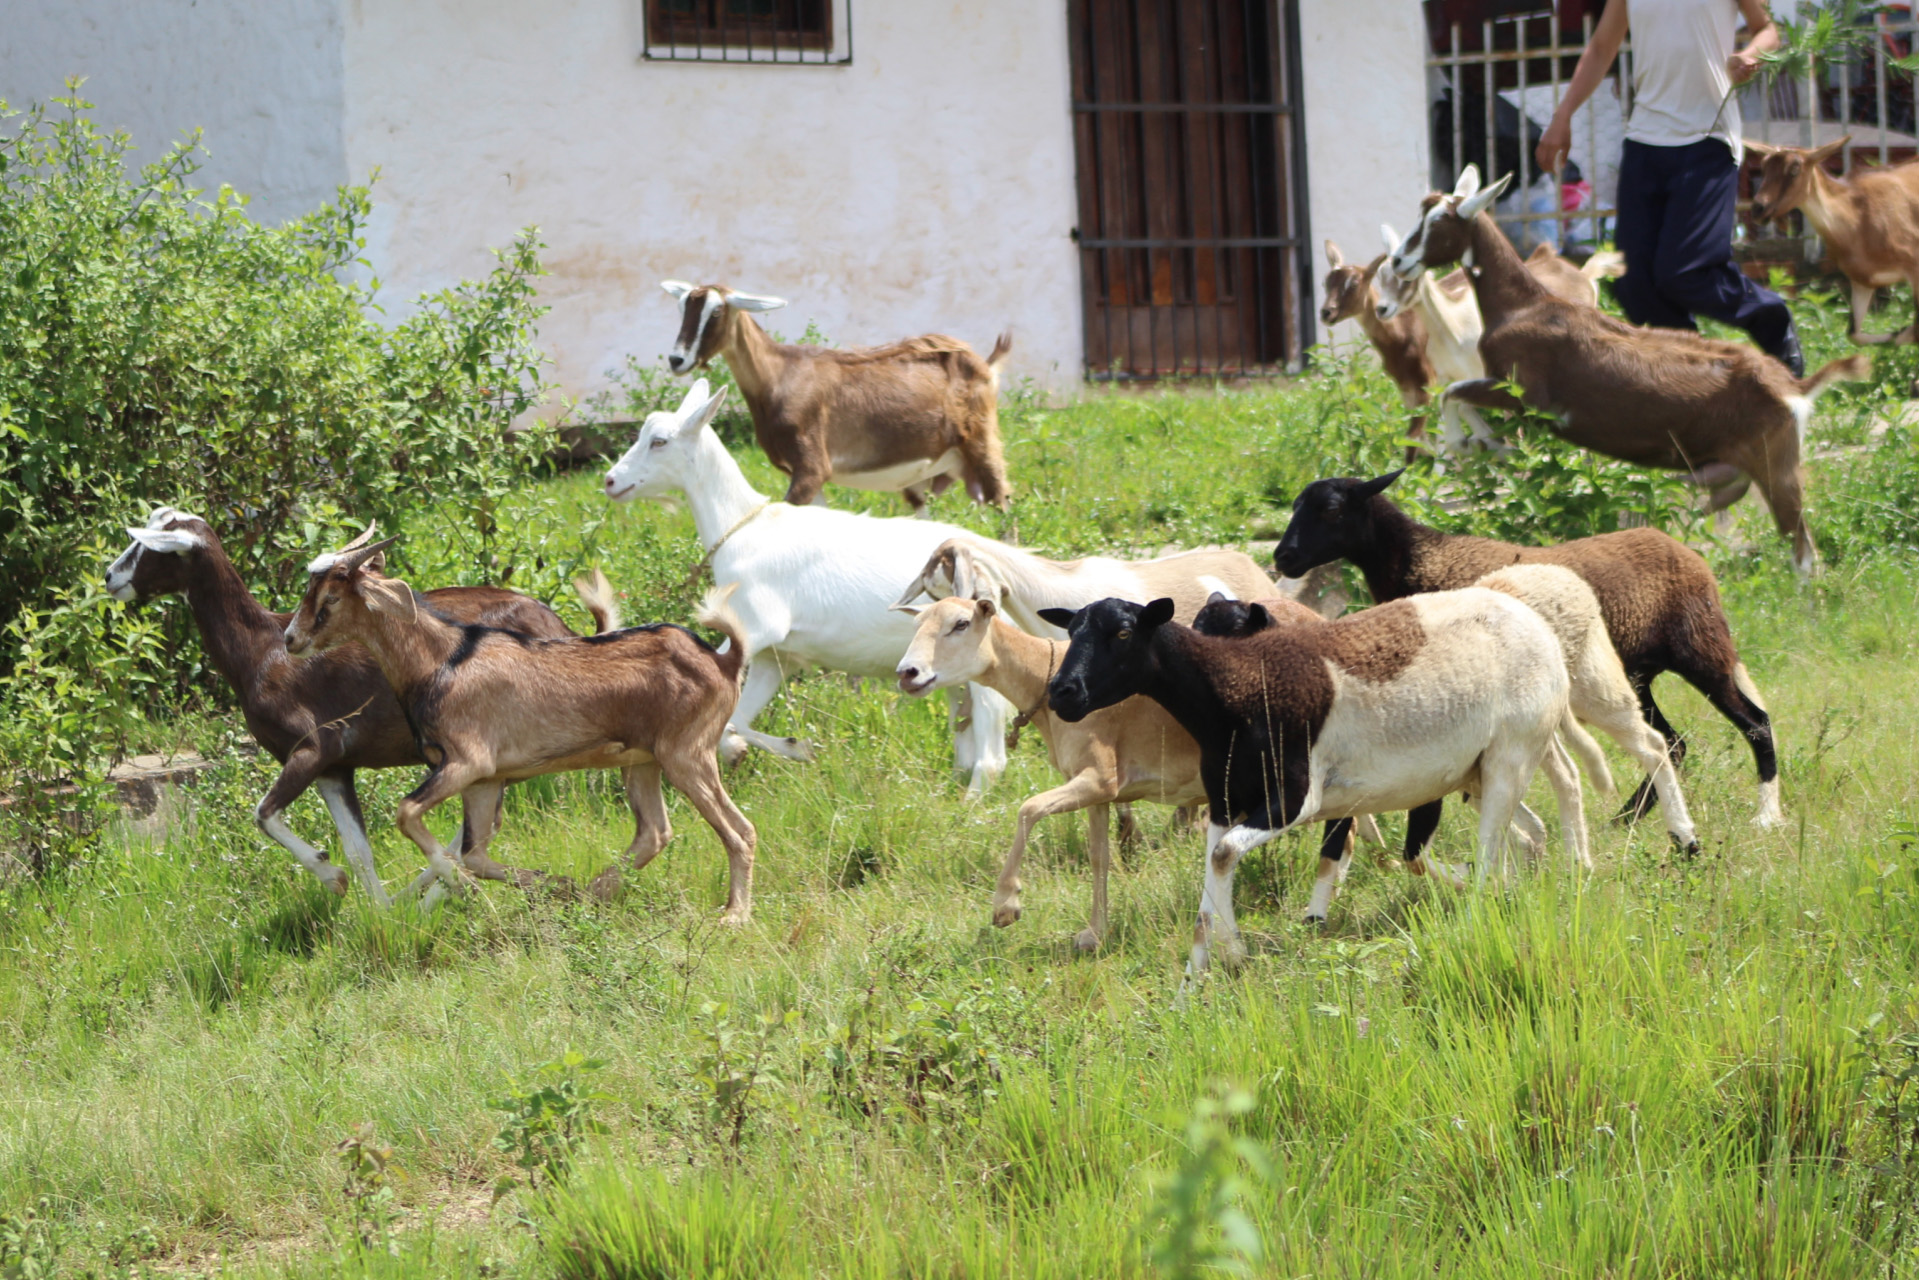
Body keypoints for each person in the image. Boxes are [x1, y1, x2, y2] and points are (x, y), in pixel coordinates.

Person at [1537, 0, 1803, 375]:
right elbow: (1600, 49)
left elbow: (1770, 28)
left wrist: (1749, 55)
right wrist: (1562, 116)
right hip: (1645, 140)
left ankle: (1771, 318)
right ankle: (1694, 370)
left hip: (1708, 138)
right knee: (1633, 283)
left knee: (1685, 272)